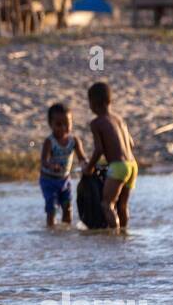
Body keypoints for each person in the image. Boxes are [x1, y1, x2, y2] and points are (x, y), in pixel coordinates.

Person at [85, 81, 136, 230]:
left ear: (92, 103)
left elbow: (99, 149)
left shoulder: (96, 123)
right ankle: (124, 235)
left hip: (119, 166)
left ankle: (115, 238)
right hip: (132, 165)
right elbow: (131, 144)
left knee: (107, 204)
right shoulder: (119, 119)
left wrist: (89, 167)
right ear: (110, 101)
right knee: (122, 205)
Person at [40, 102, 88, 227]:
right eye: (58, 124)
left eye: (67, 124)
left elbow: (82, 158)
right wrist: (52, 166)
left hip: (65, 180)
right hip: (48, 181)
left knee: (68, 206)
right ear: (51, 125)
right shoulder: (49, 142)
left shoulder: (74, 141)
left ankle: (65, 231)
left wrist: (86, 165)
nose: (63, 128)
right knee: (52, 208)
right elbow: (44, 161)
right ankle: (50, 228)